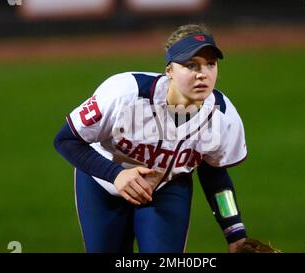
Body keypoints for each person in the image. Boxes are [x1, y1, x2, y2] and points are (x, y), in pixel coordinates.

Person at [54, 24, 250, 253]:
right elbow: (65, 140)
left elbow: (215, 175)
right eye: (190, 65)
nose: (202, 74)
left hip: (166, 189)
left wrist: (235, 232)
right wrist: (115, 174)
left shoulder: (223, 116)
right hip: (102, 183)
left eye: (210, 64)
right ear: (169, 71)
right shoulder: (125, 93)